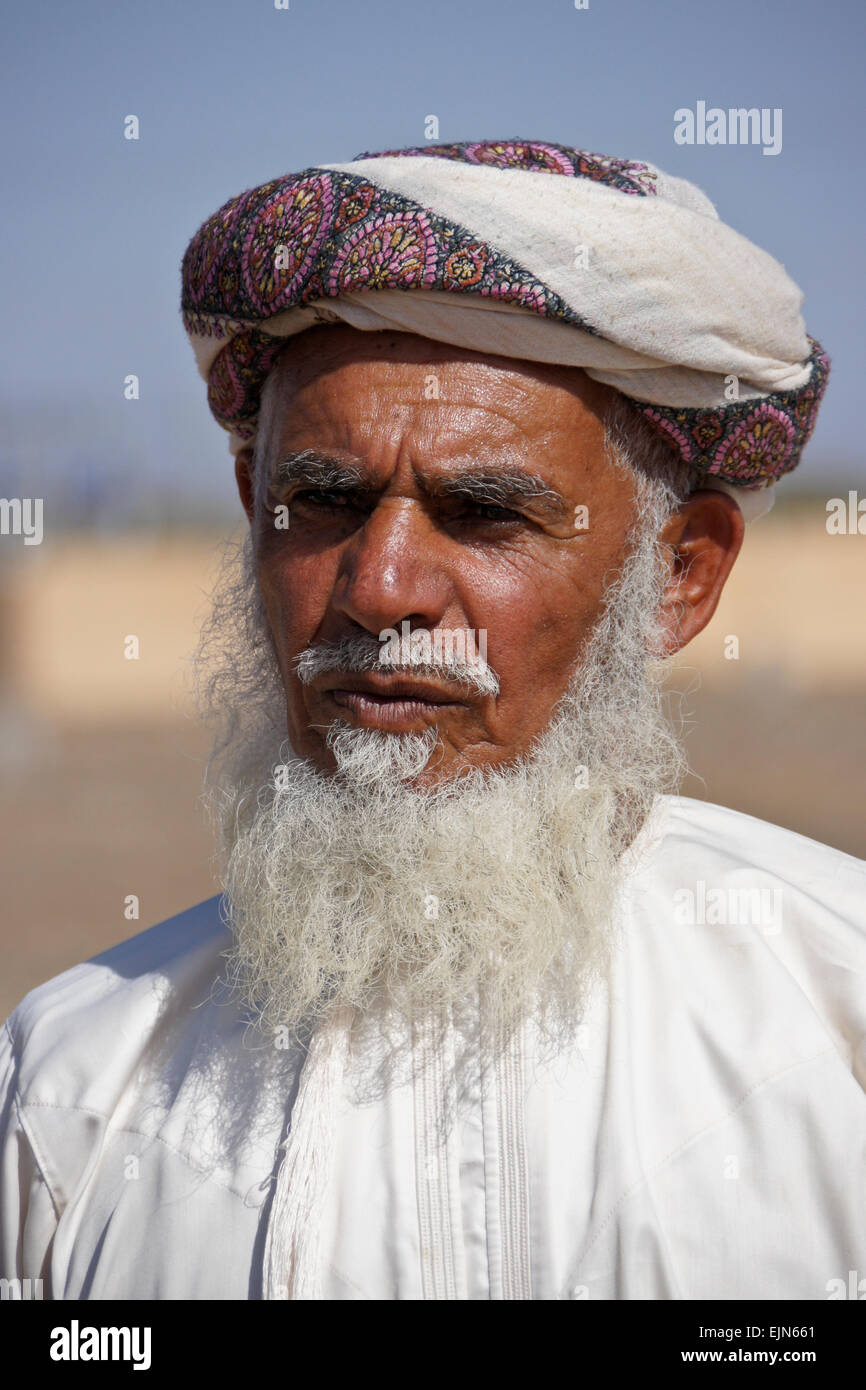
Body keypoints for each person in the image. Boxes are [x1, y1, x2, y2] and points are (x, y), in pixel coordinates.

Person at [2, 139, 862, 1301]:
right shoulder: (69, 1093)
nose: (378, 587)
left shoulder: (832, 1021)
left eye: (481, 512)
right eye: (321, 503)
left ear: (677, 576)